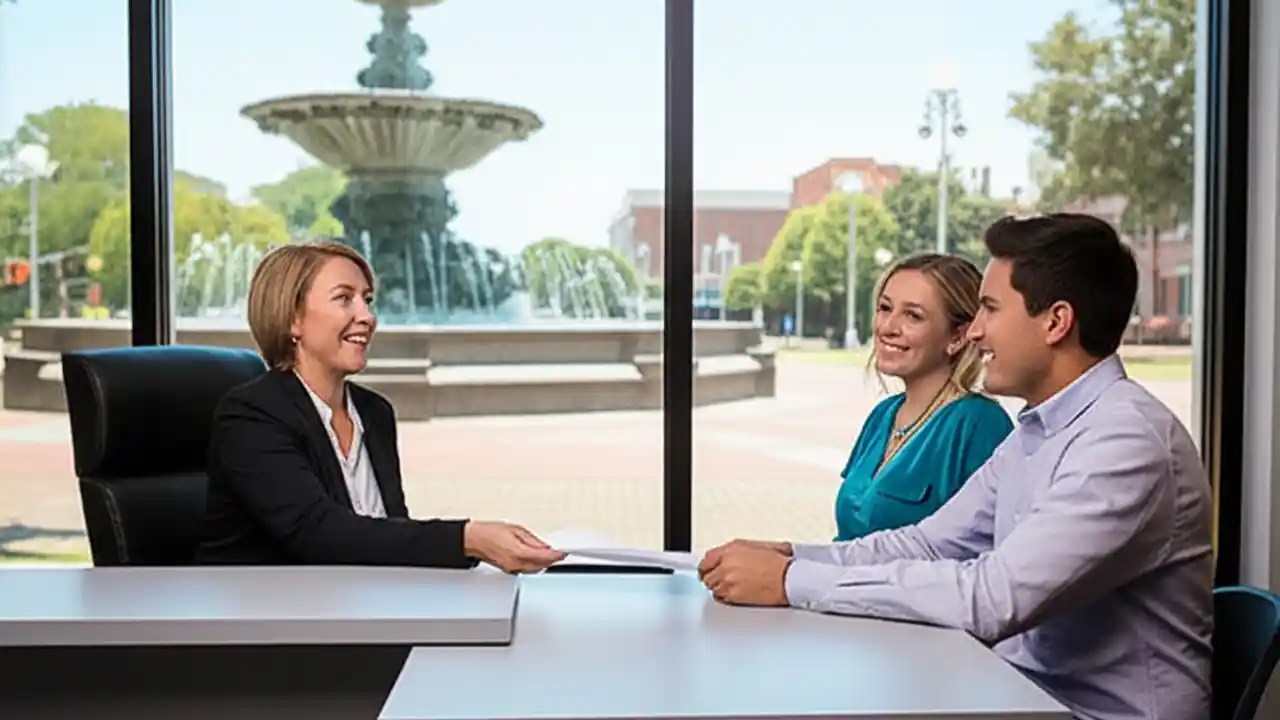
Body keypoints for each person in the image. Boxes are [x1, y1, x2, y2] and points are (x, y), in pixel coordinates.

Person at [698, 214, 1212, 720]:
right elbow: (925, 543)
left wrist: (792, 582)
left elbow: (991, 598)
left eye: (989, 308)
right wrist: (790, 556)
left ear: (1056, 321)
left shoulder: (1125, 442)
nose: (977, 332)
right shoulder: (1040, 430)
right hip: (1018, 695)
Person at [198, 240, 566, 573]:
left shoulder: (374, 412)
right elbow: (316, 533)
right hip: (269, 631)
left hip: (365, 610)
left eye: (367, 300)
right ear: (293, 318)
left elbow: (388, 532)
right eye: (344, 298)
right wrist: (467, 539)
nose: (368, 317)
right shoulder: (251, 413)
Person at [833, 253, 1011, 541]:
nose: (887, 327)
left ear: (957, 337)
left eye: (913, 316)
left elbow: (987, 551)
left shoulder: (979, 425)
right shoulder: (882, 415)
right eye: (884, 308)